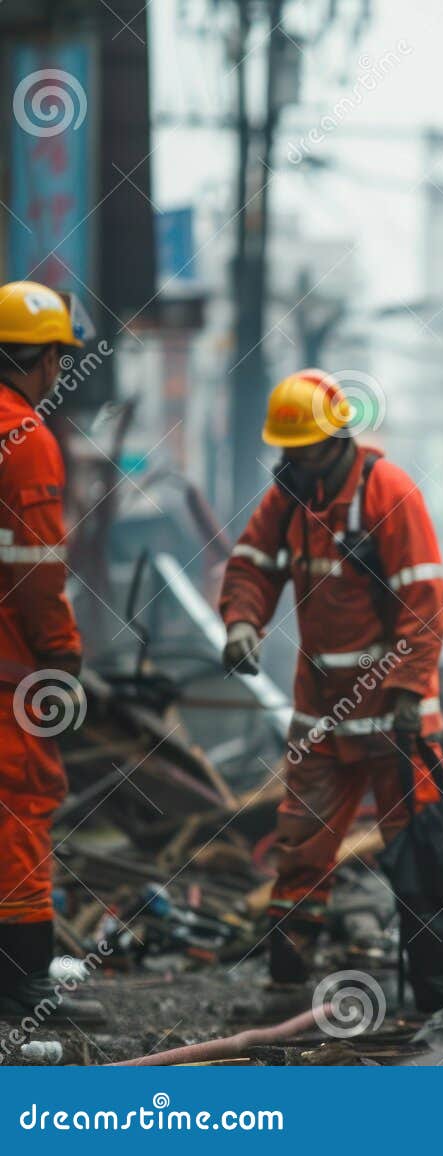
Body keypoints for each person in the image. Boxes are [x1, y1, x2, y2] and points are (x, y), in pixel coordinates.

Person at [219, 370, 443, 986]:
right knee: (302, 849)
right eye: (288, 454)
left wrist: (405, 688)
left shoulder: (388, 492)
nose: (296, 465)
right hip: (320, 715)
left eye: (307, 452)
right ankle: (288, 979)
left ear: (339, 439)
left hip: (394, 718)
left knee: (416, 851)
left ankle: (436, 982)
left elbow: (426, 601)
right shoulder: (289, 498)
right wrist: (242, 622)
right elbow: (251, 567)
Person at [0, 281, 102, 1020]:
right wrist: (62, 657)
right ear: (37, 359)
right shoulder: (25, 439)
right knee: (20, 804)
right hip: (8, 671)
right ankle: (20, 981)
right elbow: (37, 569)